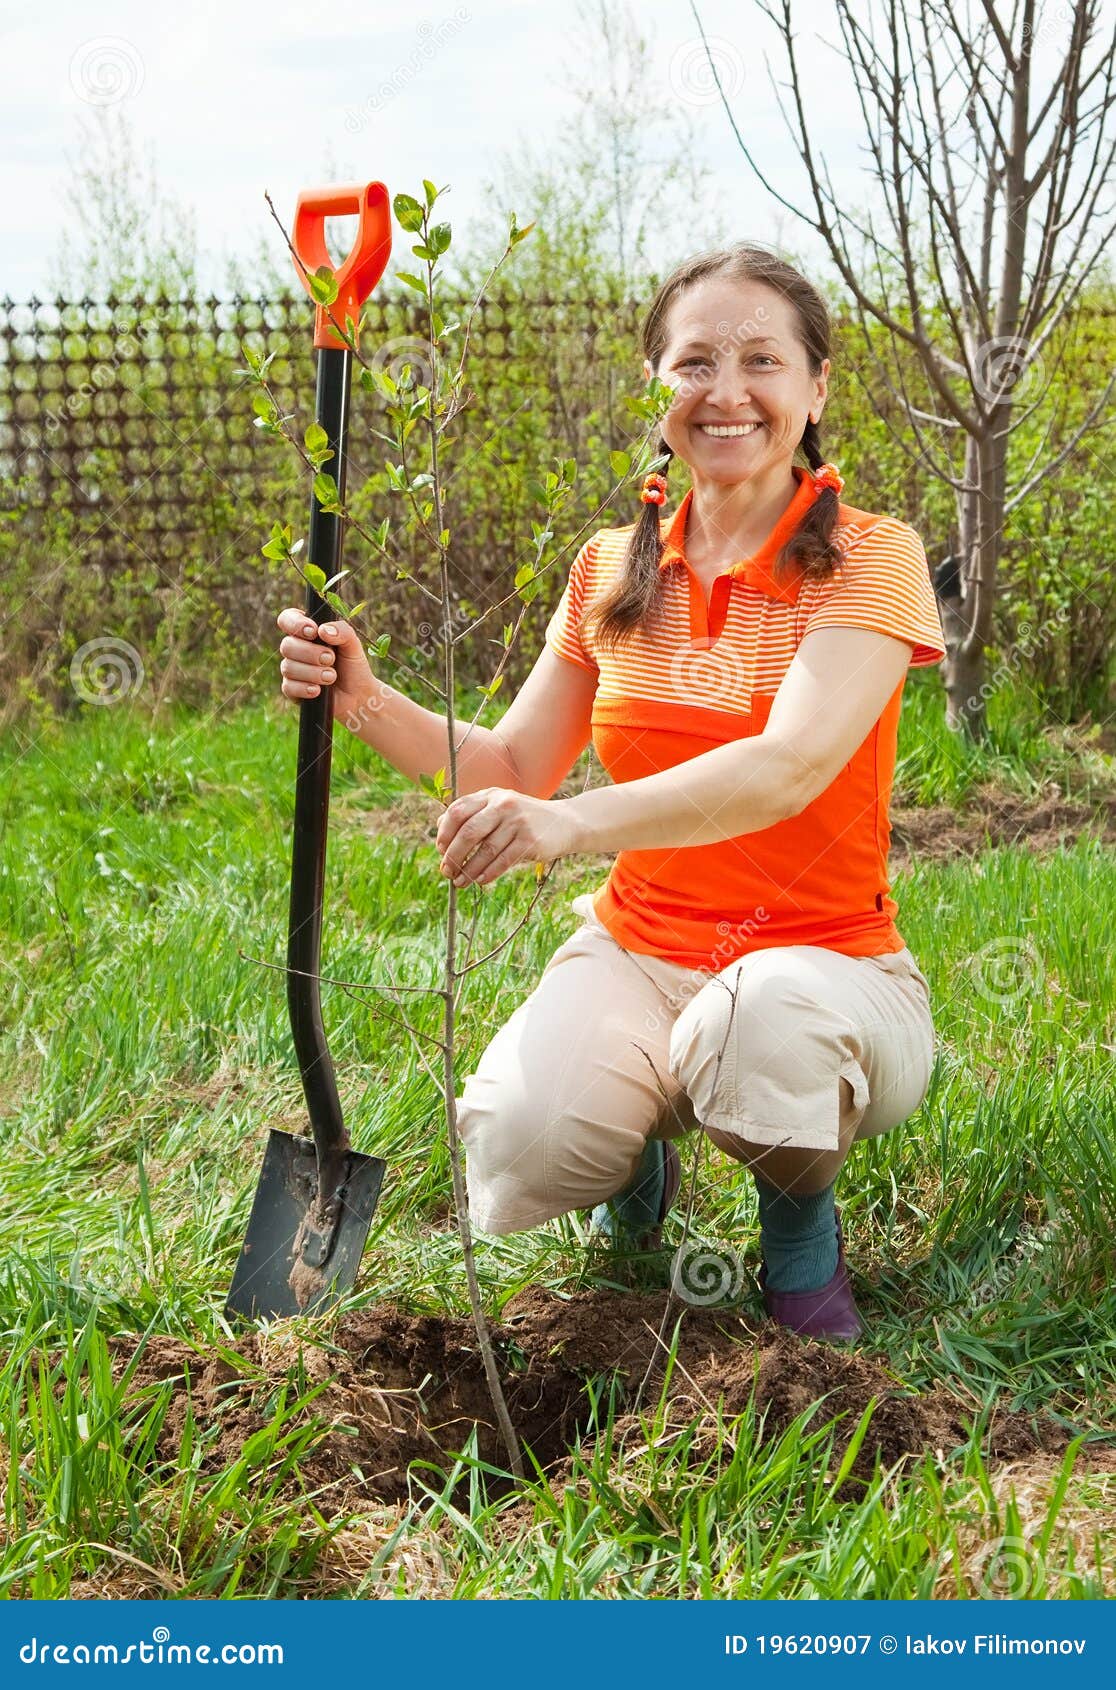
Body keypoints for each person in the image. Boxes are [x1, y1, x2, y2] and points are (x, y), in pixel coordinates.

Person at [275, 242, 946, 1344]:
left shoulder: (872, 557)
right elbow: (510, 770)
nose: (726, 393)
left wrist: (572, 825)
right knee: (518, 1140)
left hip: (828, 968)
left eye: (762, 362)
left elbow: (787, 768)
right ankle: (637, 1162)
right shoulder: (608, 568)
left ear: (816, 387)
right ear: (658, 387)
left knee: (761, 1023)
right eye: (694, 364)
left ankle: (798, 1224)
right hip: (641, 950)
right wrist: (365, 694)